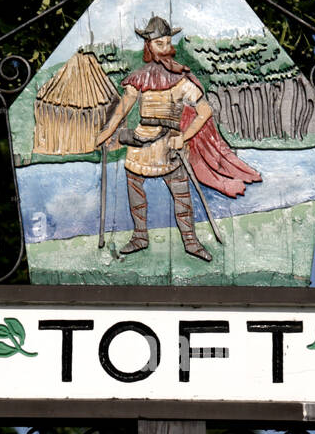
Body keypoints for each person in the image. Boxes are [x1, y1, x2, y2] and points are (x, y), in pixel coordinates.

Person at [95, 14, 261, 261]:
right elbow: (123, 107)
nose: (164, 48)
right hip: (140, 142)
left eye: (166, 42)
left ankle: (191, 242)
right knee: (134, 189)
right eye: (158, 43)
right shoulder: (139, 78)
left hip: (168, 143)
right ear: (148, 45)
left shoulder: (181, 80)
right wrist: (107, 133)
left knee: (181, 195)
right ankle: (140, 236)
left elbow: (205, 111)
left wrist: (183, 137)